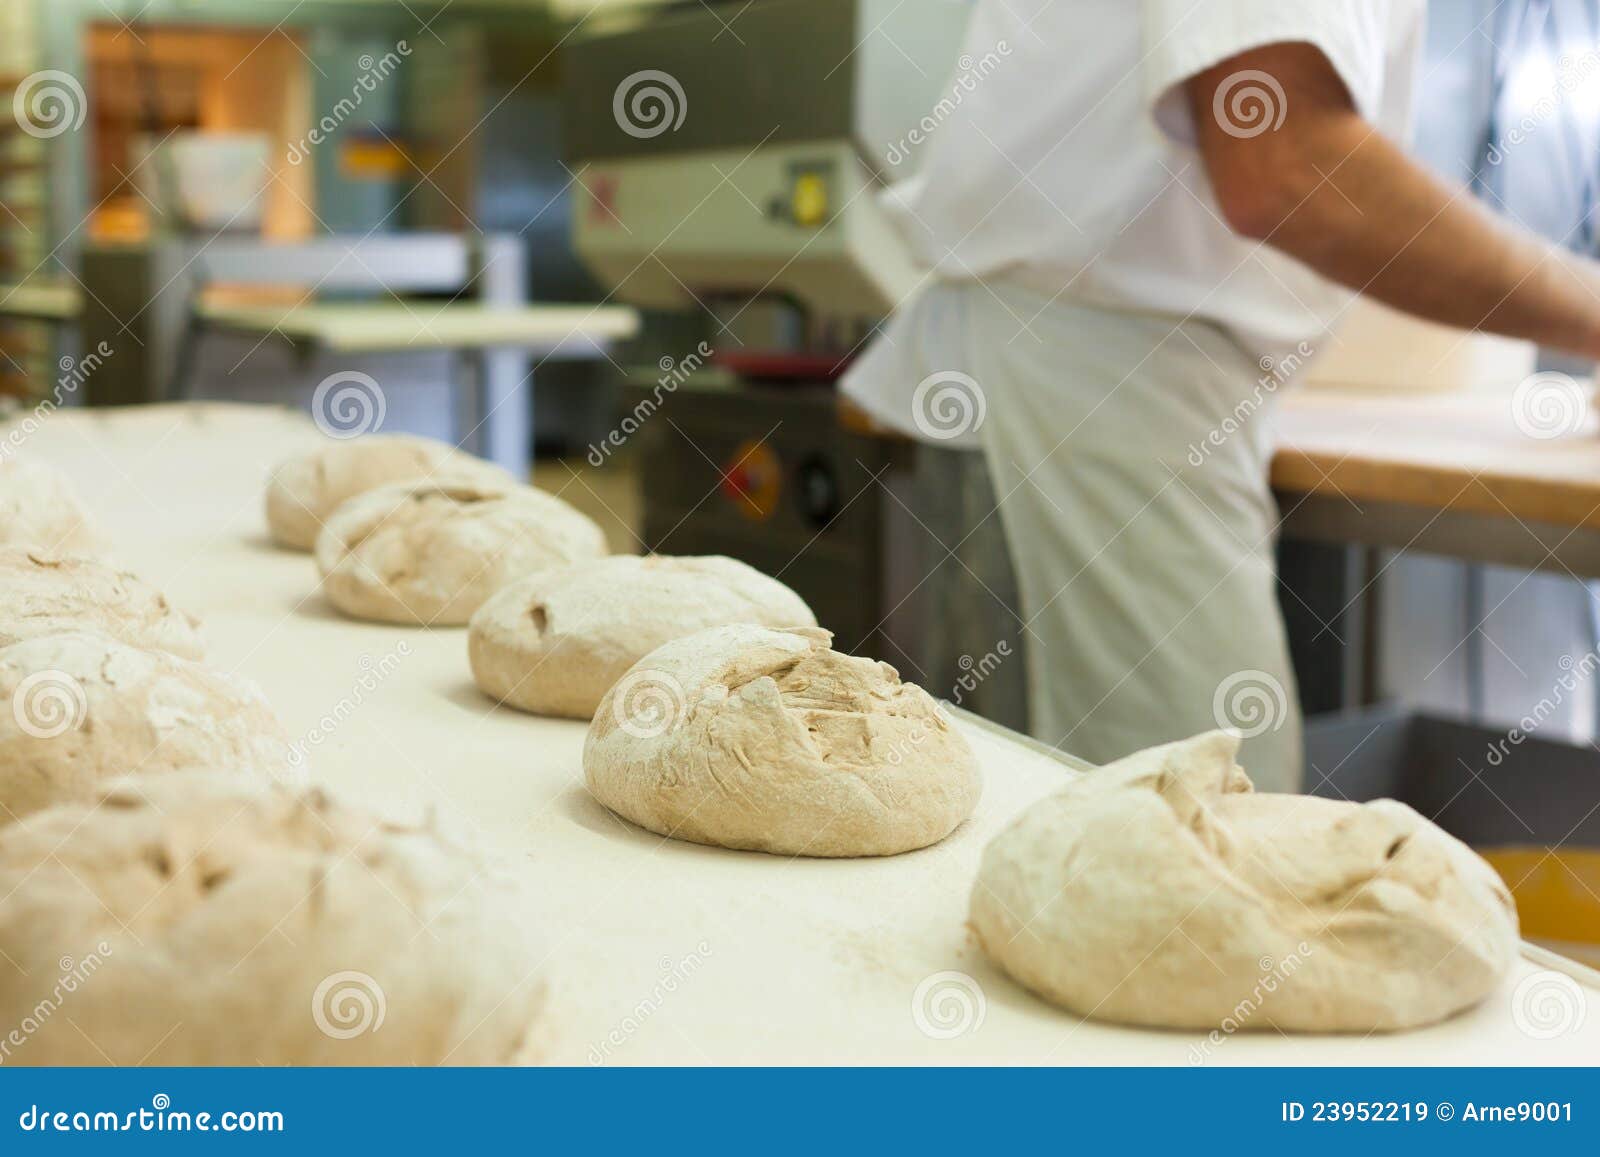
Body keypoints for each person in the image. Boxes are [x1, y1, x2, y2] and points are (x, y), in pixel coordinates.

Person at [843, 0, 1600, 791]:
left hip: (1086, 377)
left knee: (1101, 844)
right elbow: (1284, 163)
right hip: (1101, 394)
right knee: (1194, 848)